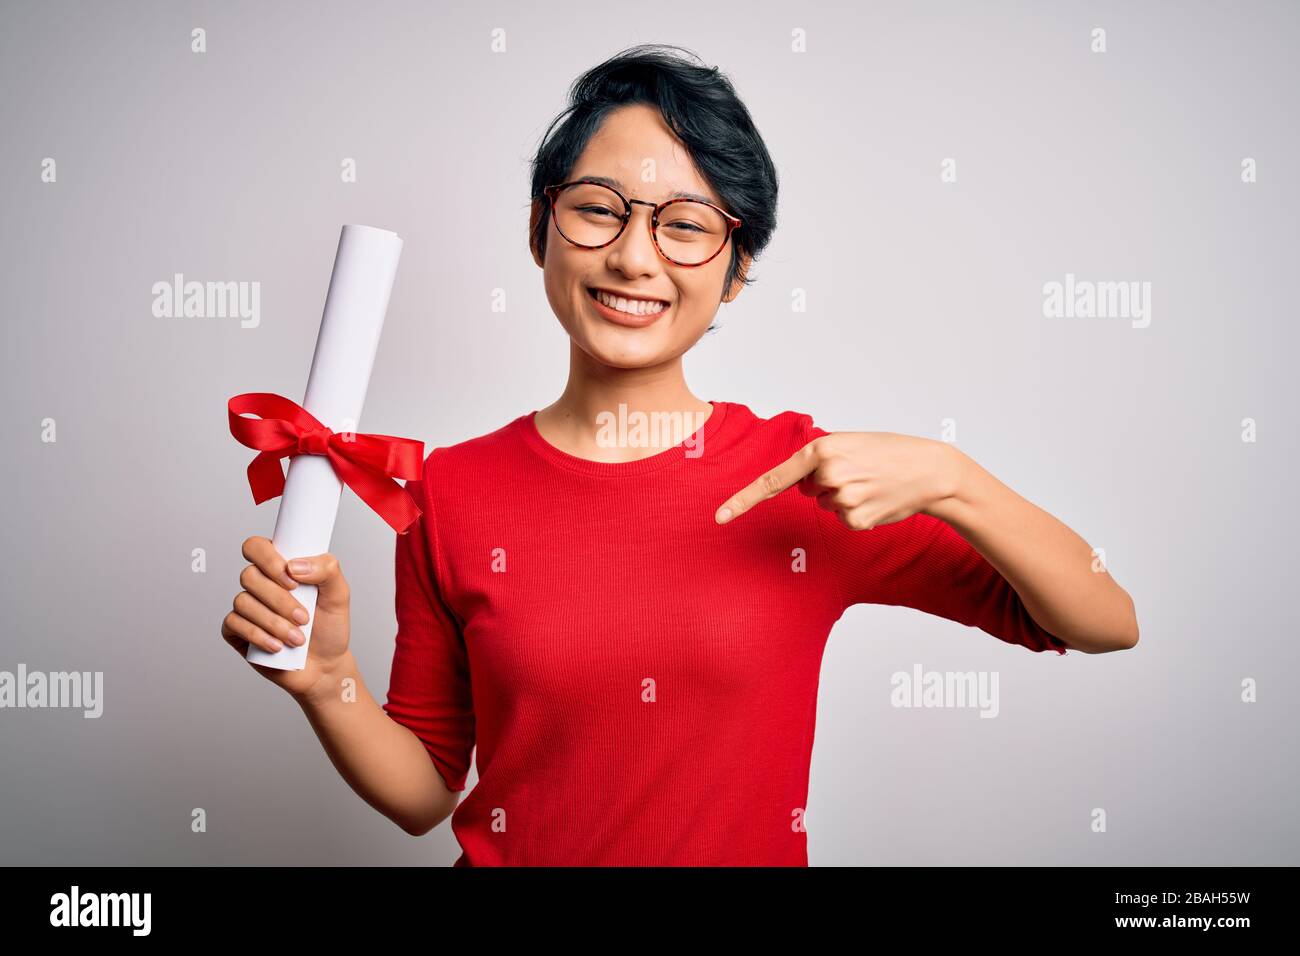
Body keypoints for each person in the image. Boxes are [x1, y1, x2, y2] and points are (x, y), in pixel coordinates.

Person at [221, 44, 1139, 866]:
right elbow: (426, 795)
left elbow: (1101, 618)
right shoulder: (448, 490)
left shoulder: (803, 478)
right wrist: (328, 679)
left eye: (687, 224)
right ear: (540, 228)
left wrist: (954, 479)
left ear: (737, 269)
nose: (633, 257)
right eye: (597, 210)